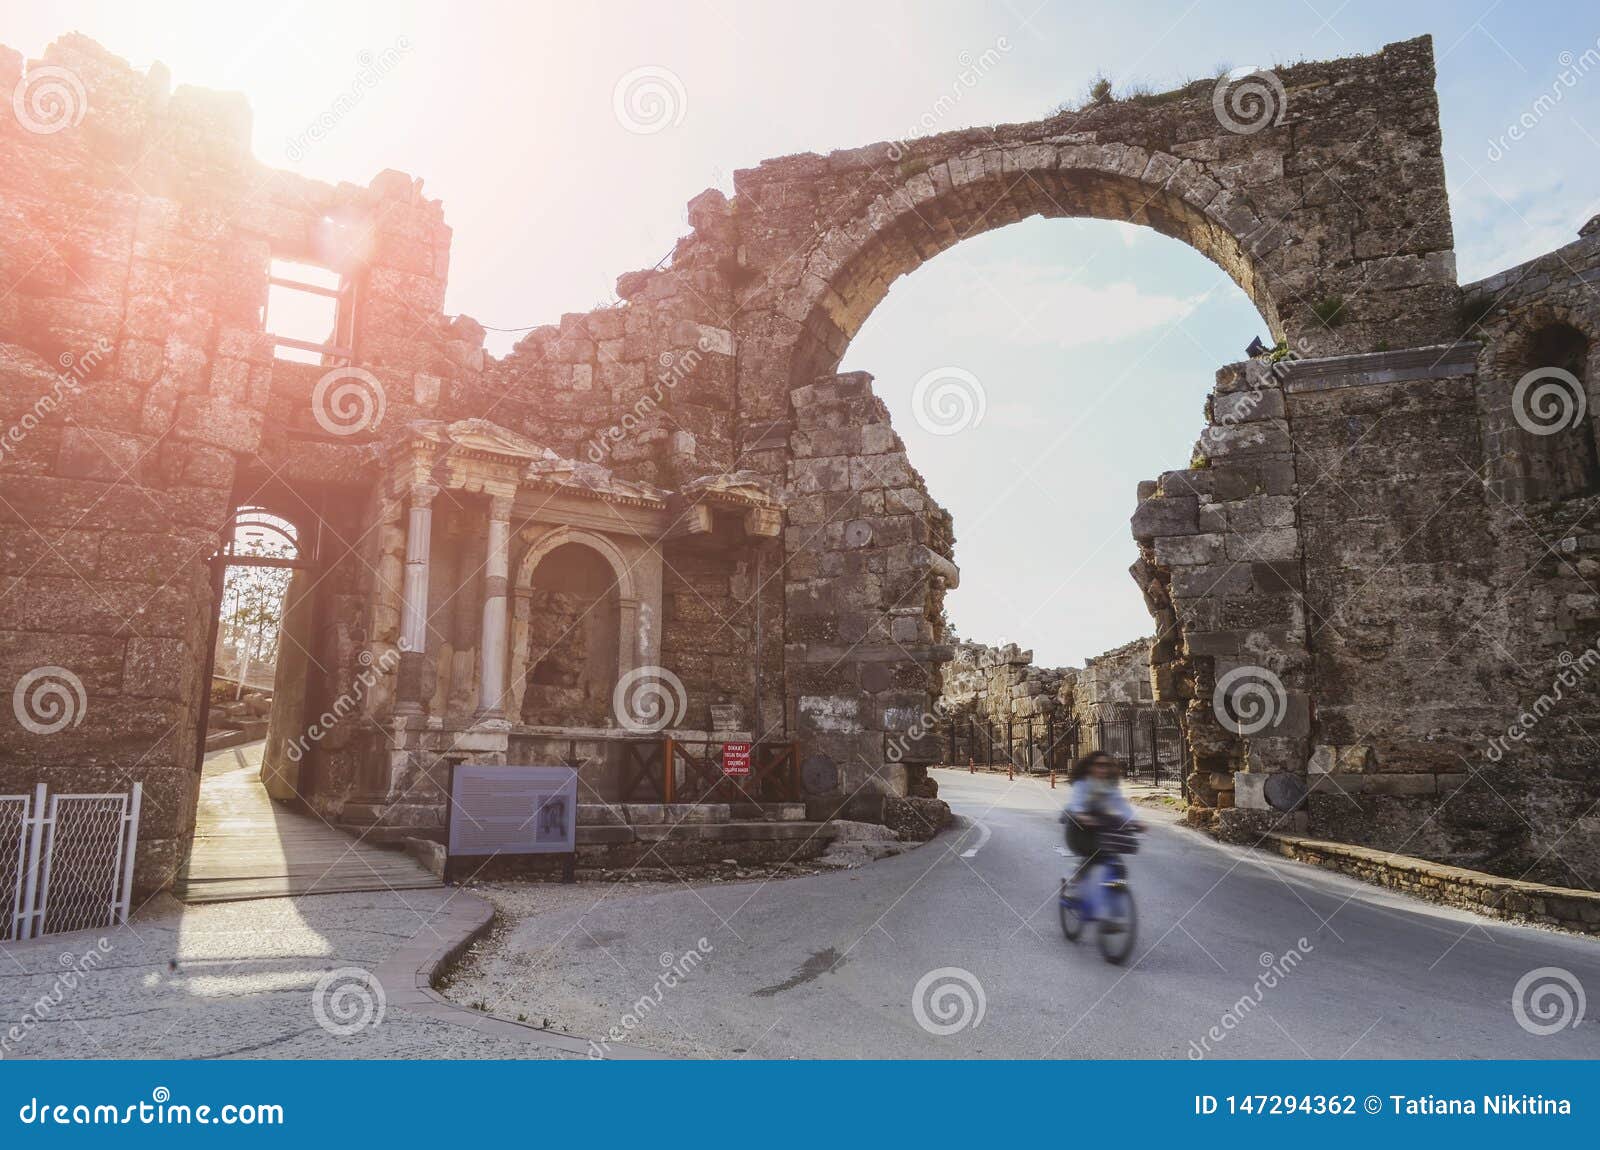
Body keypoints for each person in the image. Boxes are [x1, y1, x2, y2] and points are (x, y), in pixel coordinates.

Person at [1060, 751, 1144, 886]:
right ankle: (1073, 880)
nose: (1103, 769)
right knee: (1094, 856)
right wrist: (1084, 817)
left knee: (1117, 865)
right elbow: (1077, 806)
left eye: (1107, 765)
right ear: (1090, 766)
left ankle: (1113, 896)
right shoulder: (1082, 784)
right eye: (1099, 765)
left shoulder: (1110, 785)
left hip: (1099, 827)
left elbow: (1121, 805)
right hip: (1077, 828)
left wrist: (1136, 821)